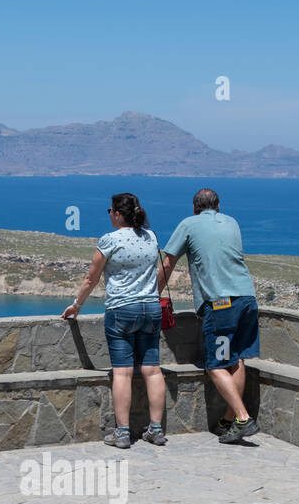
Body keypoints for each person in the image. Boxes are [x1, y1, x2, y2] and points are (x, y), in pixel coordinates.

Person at [62, 192, 168, 449]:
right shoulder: (151, 237)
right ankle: (155, 430)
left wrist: (77, 305)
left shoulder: (109, 240)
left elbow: (91, 278)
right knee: (152, 370)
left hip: (122, 310)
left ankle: (122, 433)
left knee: (122, 372)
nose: (109, 215)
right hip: (151, 309)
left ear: (118, 214)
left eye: (110, 211)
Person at [160, 188, 259, 444]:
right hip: (246, 299)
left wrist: (151, 294)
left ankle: (242, 417)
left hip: (220, 303)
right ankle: (229, 421)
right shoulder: (231, 222)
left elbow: (168, 263)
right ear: (218, 206)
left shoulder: (189, 224)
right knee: (235, 360)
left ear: (194, 207)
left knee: (215, 365)